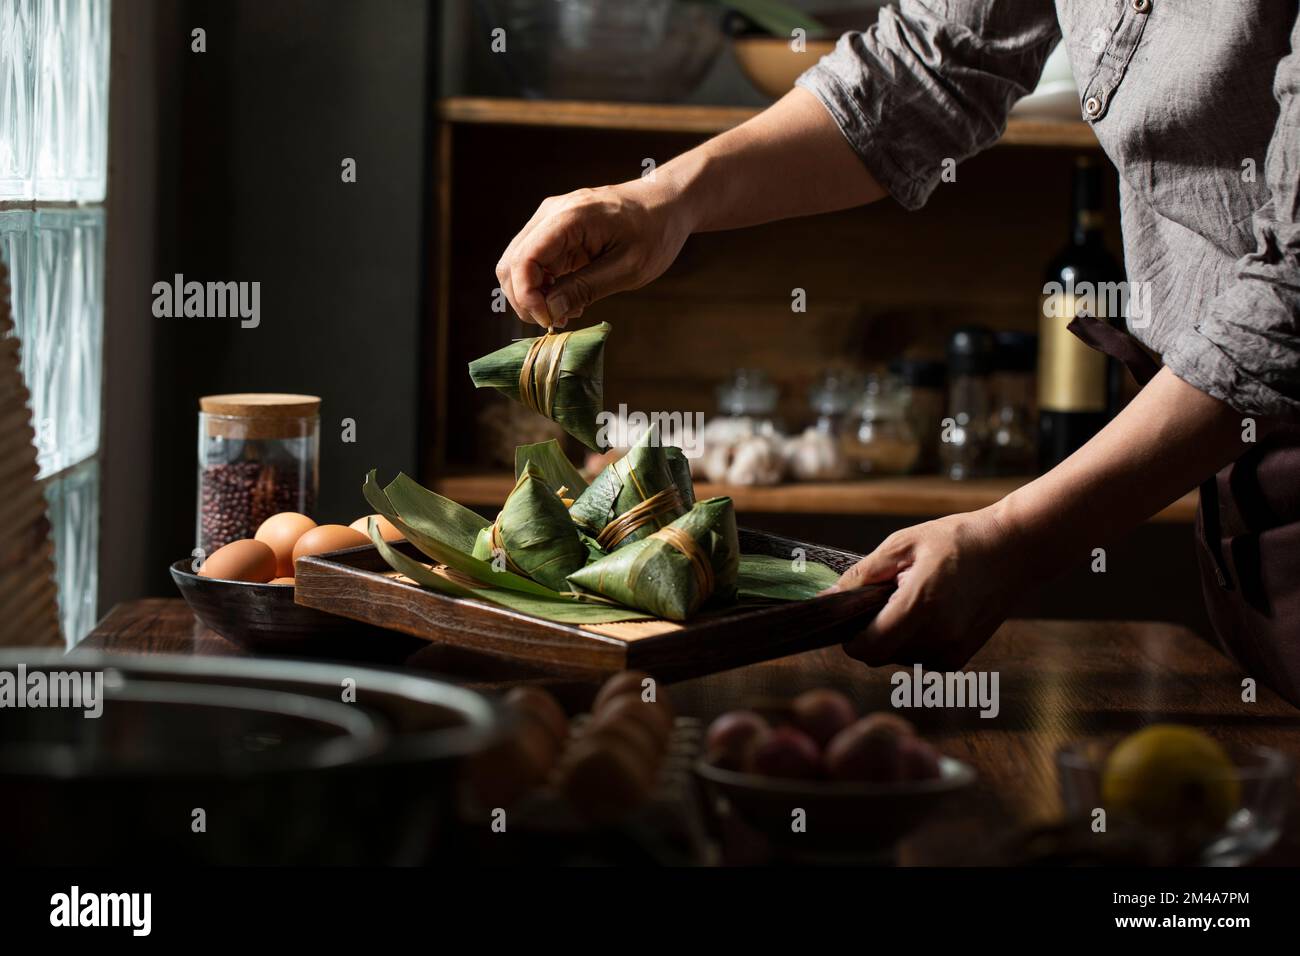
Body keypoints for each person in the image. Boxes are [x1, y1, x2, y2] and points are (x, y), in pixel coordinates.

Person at [493, 3, 1300, 702]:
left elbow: (1292, 300)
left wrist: (1015, 536)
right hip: (1227, 462)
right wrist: (662, 199)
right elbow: (931, 62)